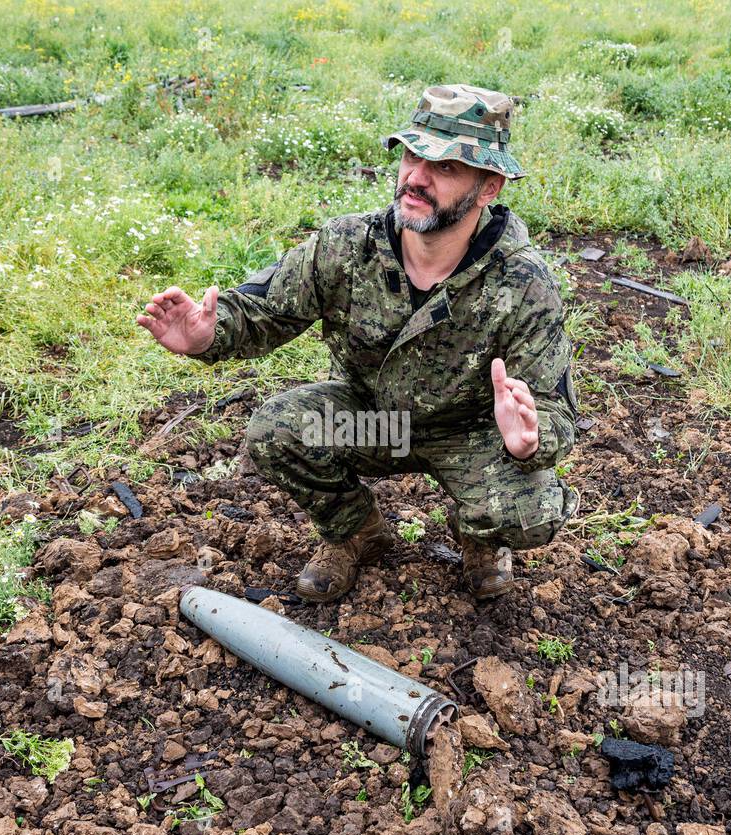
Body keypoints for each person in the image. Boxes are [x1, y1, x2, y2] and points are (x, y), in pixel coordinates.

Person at [139, 84, 578, 601]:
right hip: (376, 423)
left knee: (530, 512)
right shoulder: (348, 245)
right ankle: (356, 532)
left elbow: (554, 411)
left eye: (444, 167)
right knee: (279, 431)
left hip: (472, 433)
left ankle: (480, 537)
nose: (415, 177)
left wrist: (529, 438)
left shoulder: (525, 283)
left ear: (488, 188)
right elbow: (266, 308)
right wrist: (210, 333)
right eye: (413, 155)